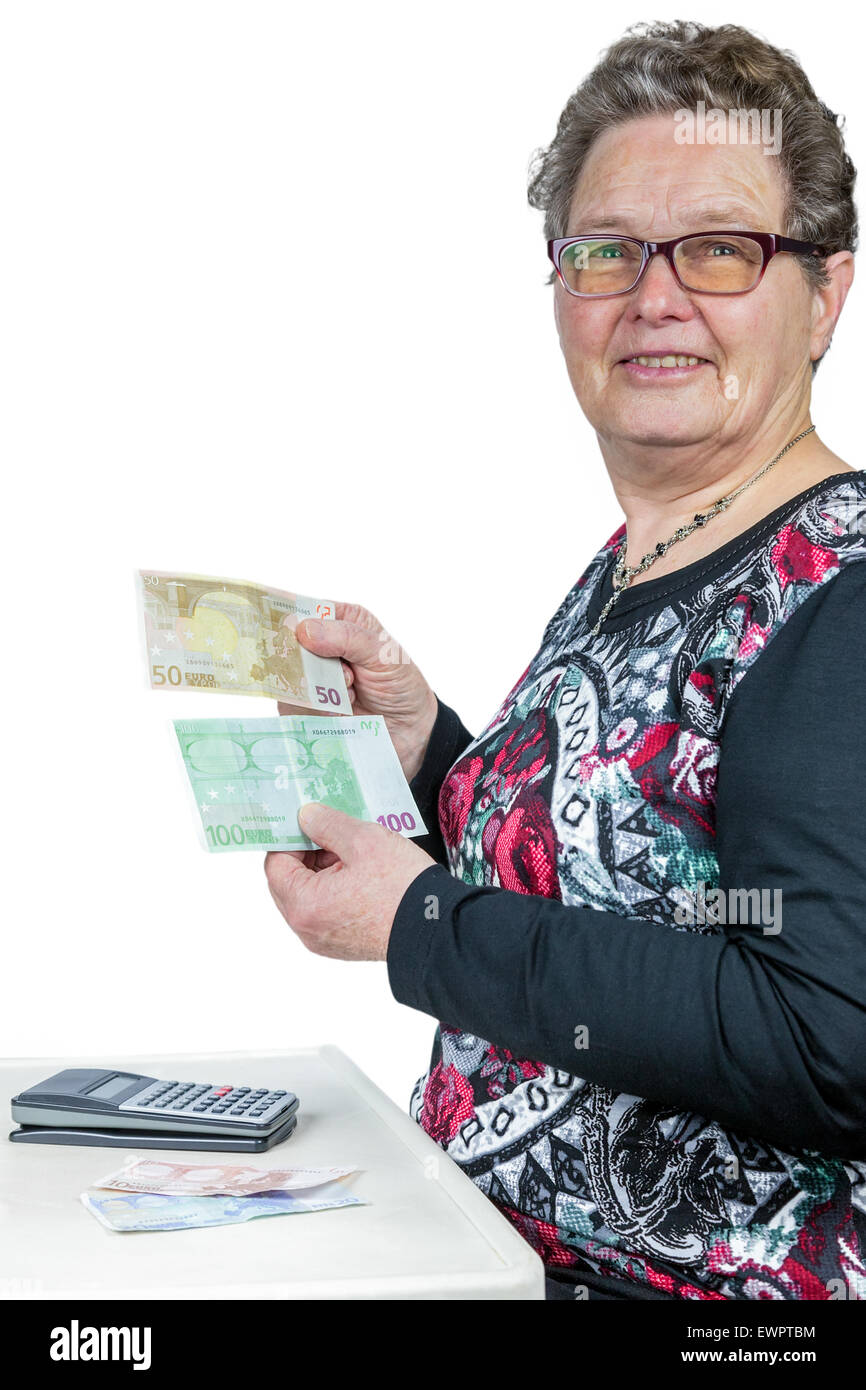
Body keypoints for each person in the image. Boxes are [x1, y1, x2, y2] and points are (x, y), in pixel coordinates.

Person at [264, 20, 866, 1300]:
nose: (653, 297)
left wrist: (420, 926)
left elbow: (823, 1027)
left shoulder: (843, 595)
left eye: (716, 248)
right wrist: (425, 742)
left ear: (823, 294)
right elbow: (633, 886)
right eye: (605, 252)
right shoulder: (640, 560)